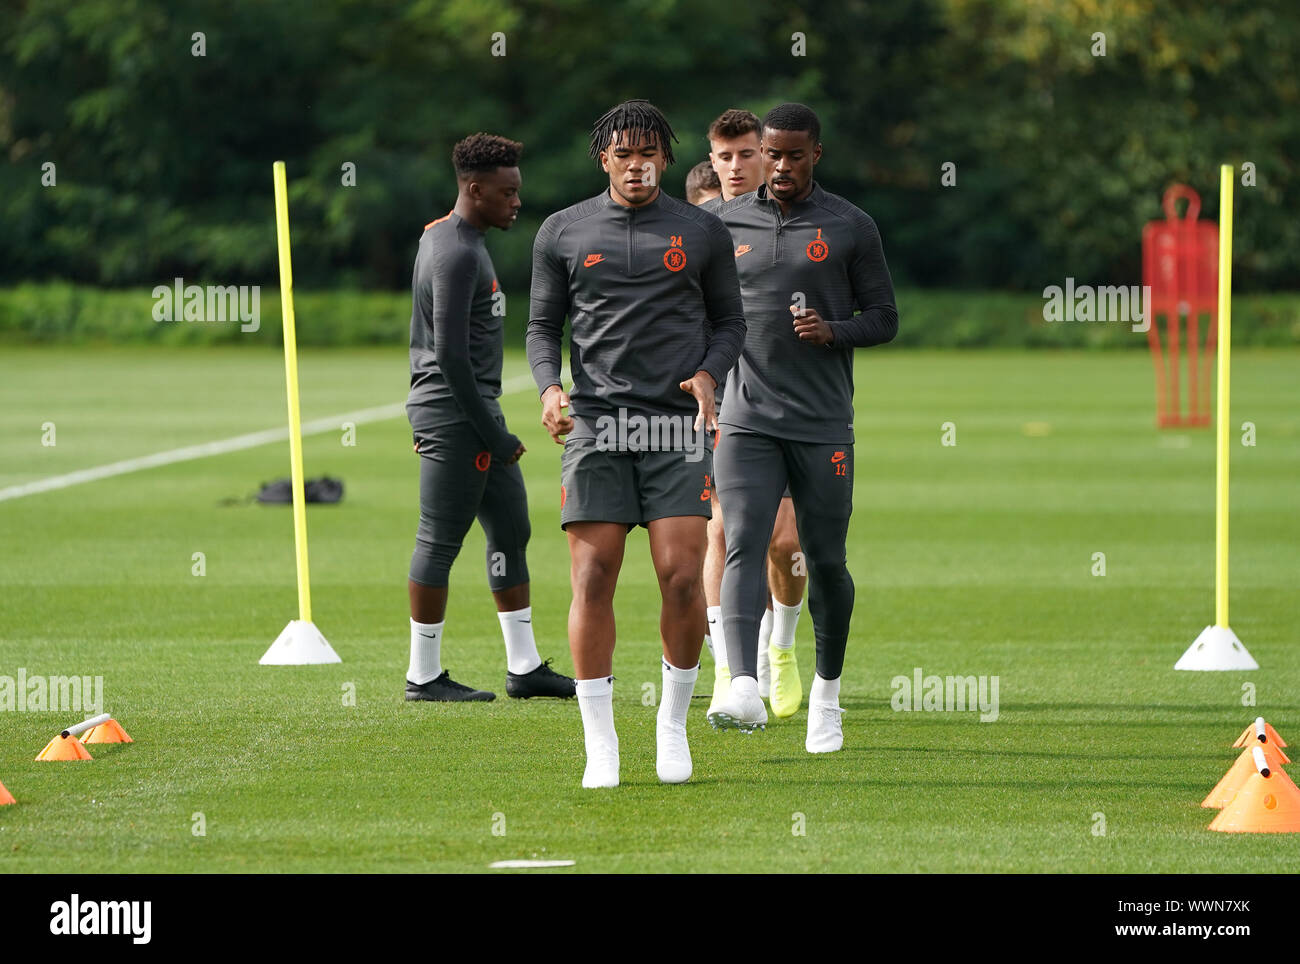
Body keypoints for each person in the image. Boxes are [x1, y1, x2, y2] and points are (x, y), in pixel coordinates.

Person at [527, 100, 746, 787]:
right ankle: (601, 743)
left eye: (648, 153)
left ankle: (671, 727)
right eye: (624, 153)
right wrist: (549, 389)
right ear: (605, 159)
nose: (637, 164)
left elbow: (731, 322)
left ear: (666, 159)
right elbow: (541, 328)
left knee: (682, 578)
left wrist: (710, 375)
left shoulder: (700, 231)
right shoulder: (562, 230)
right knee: (593, 577)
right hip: (597, 425)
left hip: (673, 426)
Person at [708, 104, 898, 753]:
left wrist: (834, 331)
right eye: (772, 154)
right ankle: (740, 684)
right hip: (745, 420)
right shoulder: (722, 222)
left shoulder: (850, 225)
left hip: (822, 425)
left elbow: (885, 317)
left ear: (816, 153)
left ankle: (827, 698)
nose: (781, 166)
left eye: (794, 155)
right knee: (742, 543)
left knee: (823, 560)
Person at [404, 133, 575, 703]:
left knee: (510, 529)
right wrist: (494, 435)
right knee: (439, 540)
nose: (517, 202)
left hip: (469, 412)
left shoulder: (453, 237)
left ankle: (524, 668)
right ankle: (423, 676)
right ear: (474, 190)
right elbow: (448, 356)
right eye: (507, 192)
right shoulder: (454, 251)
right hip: (457, 416)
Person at [695, 109, 808, 722]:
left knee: (785, 542)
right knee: (724, 533)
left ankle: (783, 647)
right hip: (724, 405)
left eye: (747, 155)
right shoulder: (703, 227)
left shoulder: (799, 223)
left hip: (790, 401)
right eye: (725, 157)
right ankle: (734, 674)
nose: (737, 167)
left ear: (768, 156)